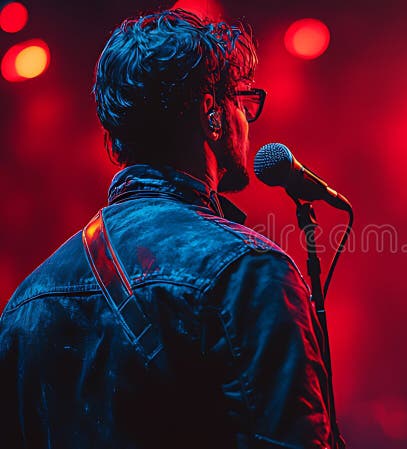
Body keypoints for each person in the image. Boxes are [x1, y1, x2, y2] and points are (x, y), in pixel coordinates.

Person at [0, 9, 333, 448]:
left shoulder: (25, 301)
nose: (248, 121)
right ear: (211, 112)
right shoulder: (247, 272)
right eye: (242, 100)